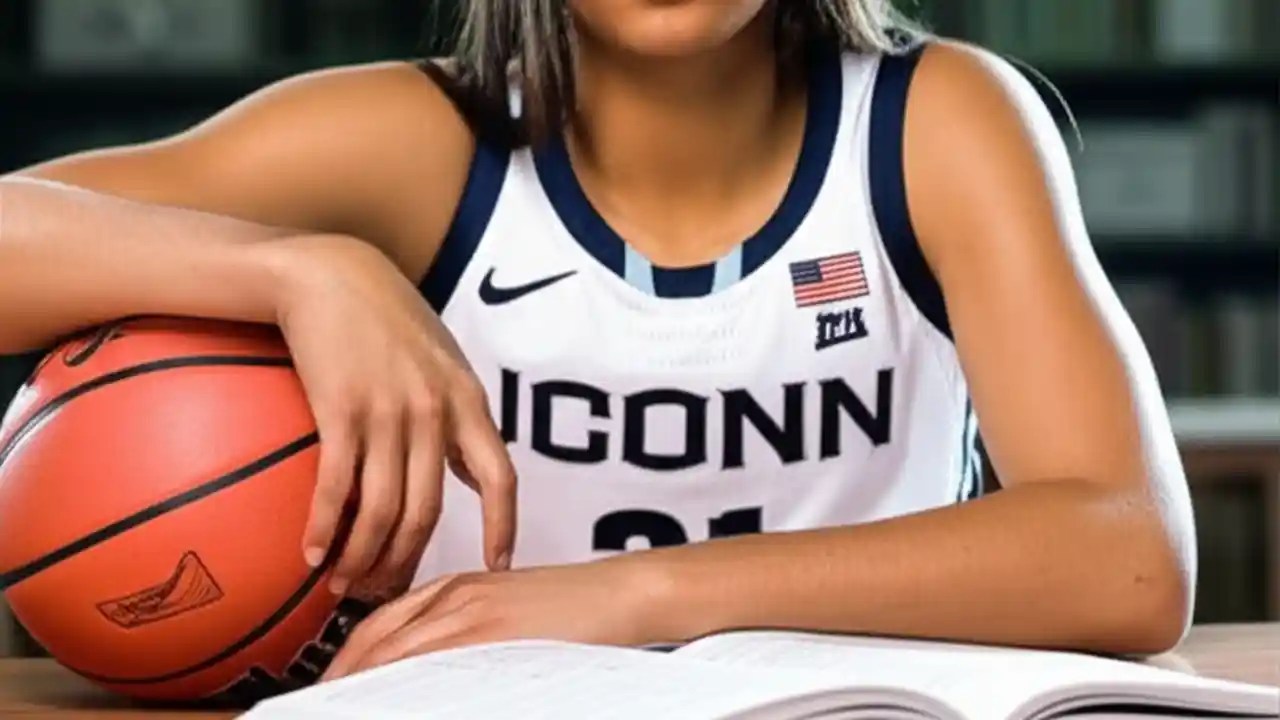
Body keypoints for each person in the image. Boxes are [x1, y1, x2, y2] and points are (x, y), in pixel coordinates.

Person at [0, 0, 1195, 681]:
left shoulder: (938, 124)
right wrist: (295, 265)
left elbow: (1132, 556)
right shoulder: (414, 148)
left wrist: (634, 594)